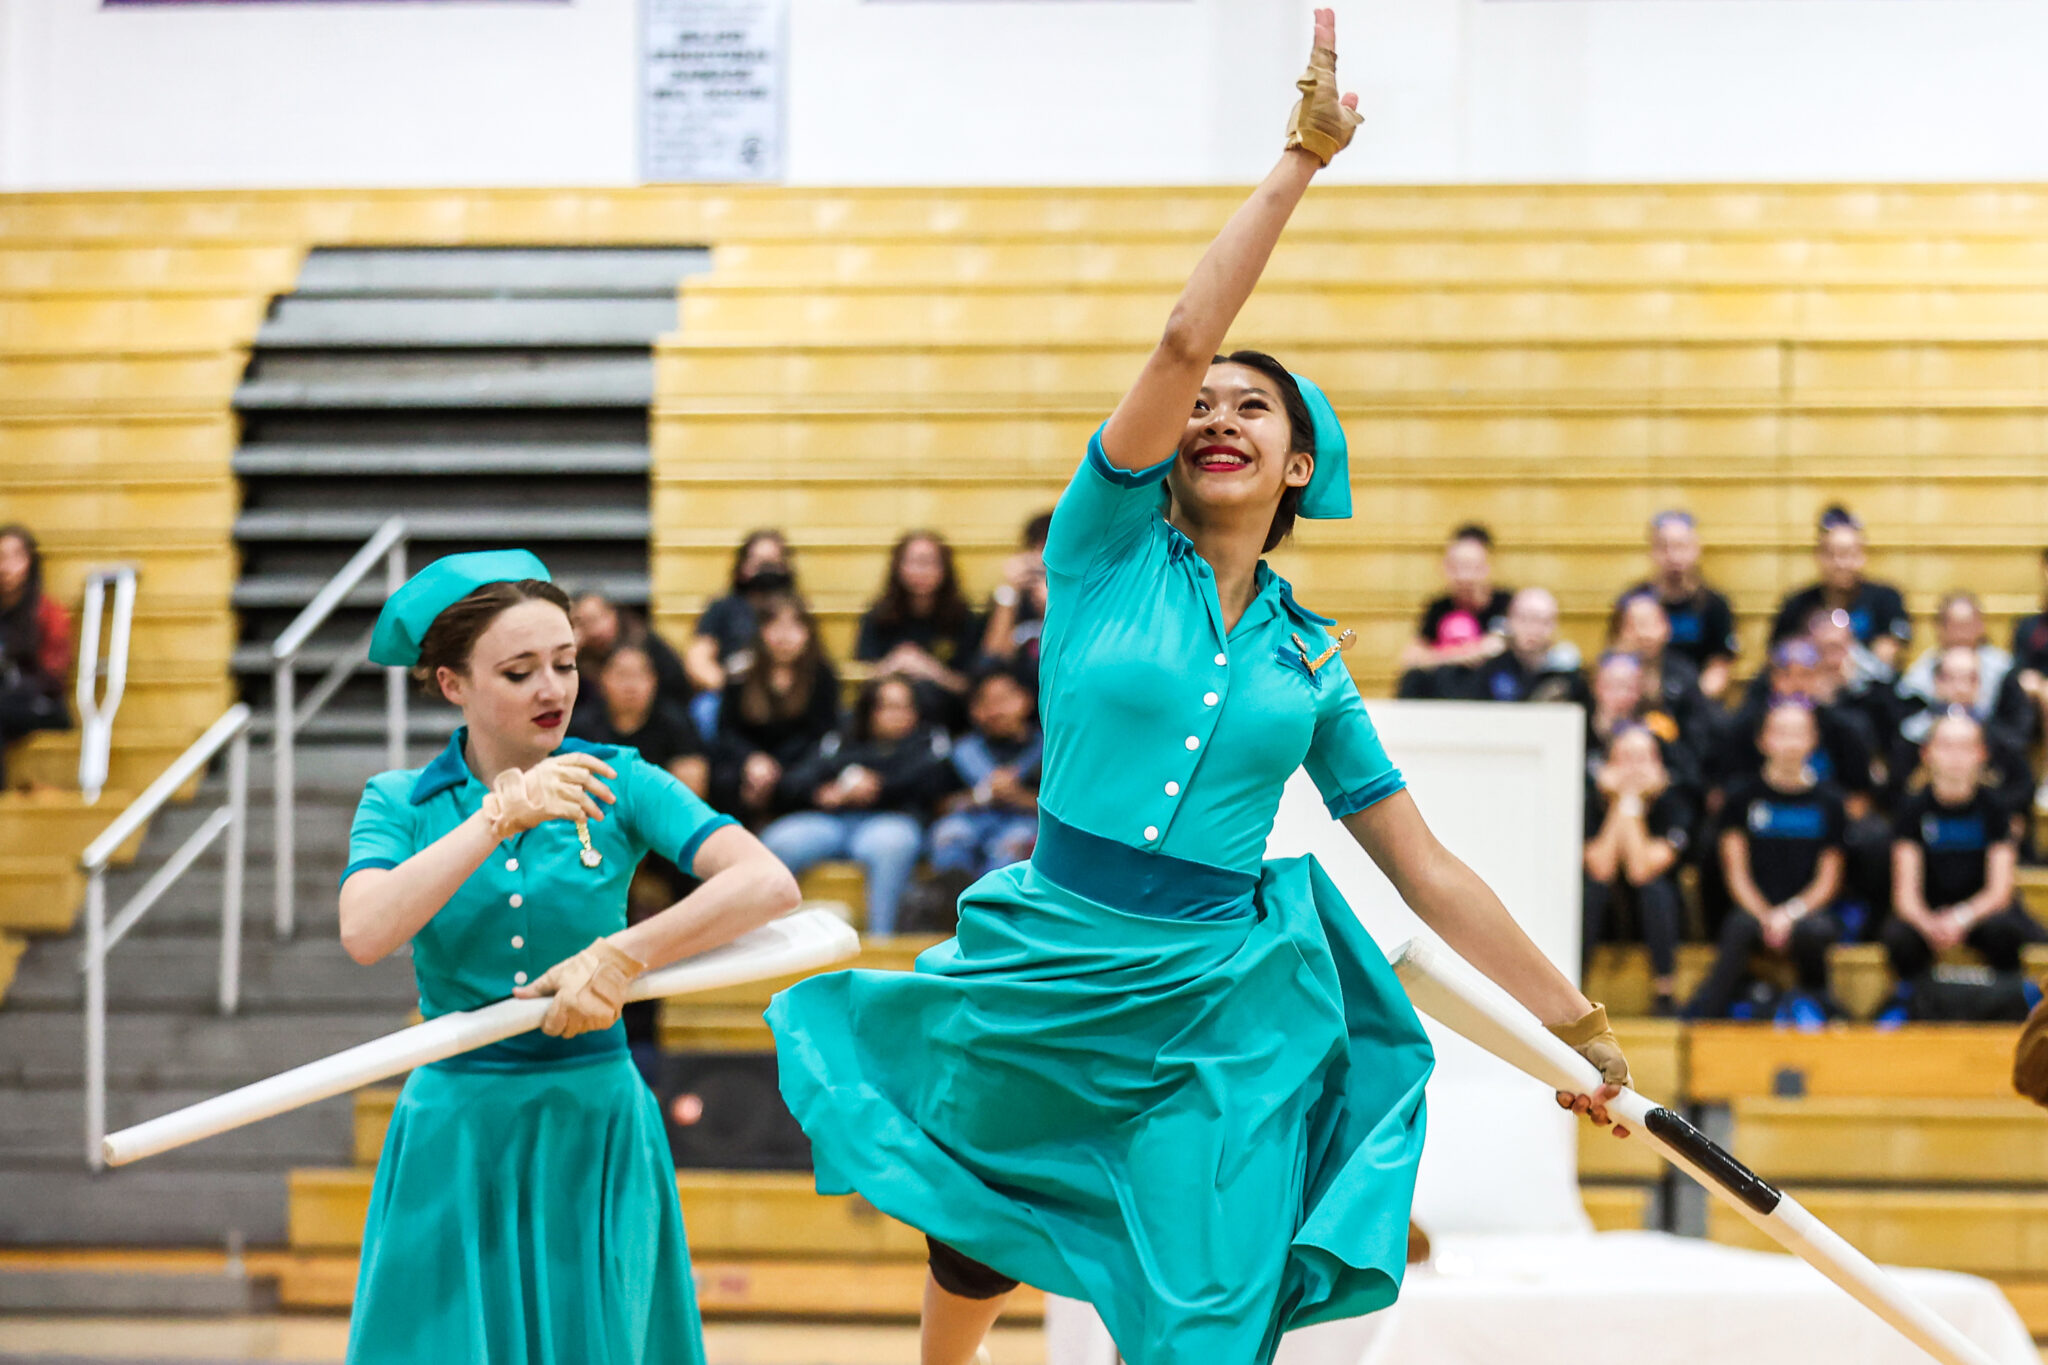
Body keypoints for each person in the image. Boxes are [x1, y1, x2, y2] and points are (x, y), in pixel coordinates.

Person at [766, 23, 1630, 1364]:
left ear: (1298, 468)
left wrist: (1573, 1026)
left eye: (1255, 410)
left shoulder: (1311, 659)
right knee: (973, 1237)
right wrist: (1300, 160)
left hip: (1215, 1002)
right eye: (1205, 407)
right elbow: (1180, 335)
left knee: (1211, 1316)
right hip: (1050, 952)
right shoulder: (1101, 548)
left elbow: (1427, 867)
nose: (1220, 414)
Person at [337, 550, 801, 1365]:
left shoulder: (617, 776)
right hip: (458, 1124)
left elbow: (768, 884)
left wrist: (624, 953)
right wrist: (492, 822)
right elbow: (367, 932)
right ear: (453, 686)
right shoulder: (399, 800)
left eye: (565, 663)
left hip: (596, 1117)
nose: (553, 689)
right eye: (519, 671)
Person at [1686, 702, 1849, 1024]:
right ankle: (1707, 1019)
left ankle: (1821, 1007)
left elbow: (1828, 879)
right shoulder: (1741, 797)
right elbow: (1736, 872)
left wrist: (1789, 915)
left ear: (1813, 739)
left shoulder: (1830, 801)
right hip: (1753, 909)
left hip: (1806, 912)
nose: (1789, 742)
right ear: (1763, 740)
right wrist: (1765, 916)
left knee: (1815, 930)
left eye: (1798, 732)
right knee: (1740, 926)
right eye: (1780, 732)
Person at [761, 674, 958, 936]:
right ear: (869, 709)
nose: (897, 714)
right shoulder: (841, 738)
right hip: (832, 821)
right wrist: (822, 793)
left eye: (905, 706)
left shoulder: (929, 741)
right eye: (887, 706)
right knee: (781, 838)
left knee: (892, 844)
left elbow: (933, 784)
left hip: (893, 820)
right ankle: (759, 936)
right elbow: (795, 781)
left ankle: (881, 942)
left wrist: (878, 786)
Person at [1882, 712, 2045, 987]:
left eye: (1964, 746)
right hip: (1929, 913)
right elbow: (1905, 894)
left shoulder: (1995, 807)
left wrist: (1960, 918)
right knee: (1899, 937)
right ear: (1927, 753)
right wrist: (1929, 924)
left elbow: (1999, 890)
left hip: (1980, 914)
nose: (1955, 756)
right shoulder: (1912, 809)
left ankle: (2004, 1002)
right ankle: (1914, 1004)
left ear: (1980, 753)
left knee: (2005, 930)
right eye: (1946, 746)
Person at [1581, 724, 1688, 1016]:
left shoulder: (1674, 803)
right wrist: (1624, 800)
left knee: (1656, 891)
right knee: (1592, 892)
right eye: (1625, 758)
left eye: (1643, 758)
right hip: (1605, 916)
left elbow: (1641, 870)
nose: (1634, 768)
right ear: (1608, 765)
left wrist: (1628, 800)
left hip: (1655, 919)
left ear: (1659, 765)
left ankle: (1665, 993)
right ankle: (1574, 992)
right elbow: (1601, 867)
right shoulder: (1589, 802)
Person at [707, 593, 841, 823]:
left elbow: (823, 734)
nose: (784, 636)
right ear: (760, 631)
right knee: (722, 780)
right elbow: (727, 732)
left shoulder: (822, 675)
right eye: (774, 626)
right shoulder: (740, 672)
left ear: (808, 633)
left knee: (805, 782)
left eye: (794, 626)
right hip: (750, 765)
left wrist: (775, 768)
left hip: (798, 763)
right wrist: (751, 760)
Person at [927, 666, 1043, 895]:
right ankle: (954, 912)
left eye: (1004, 699)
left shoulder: (1048, 750)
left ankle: (997, 919)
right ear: (974, 711)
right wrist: (981, 795)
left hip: (1025, 823)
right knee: (949, 833)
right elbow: (937, 807)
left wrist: (1017, 796)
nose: (995, 710)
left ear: (1026, 700)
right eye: (985, 702)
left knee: (1015, 843)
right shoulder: (960, 751)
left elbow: (1064, 808)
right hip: (972, 820)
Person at [855, 531, 984, 729]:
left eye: (930, 562)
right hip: (888, 712)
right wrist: (894, 664)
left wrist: (931, 670)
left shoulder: (963, 617)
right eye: (913, 562)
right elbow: (863, 677)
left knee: (926, 693)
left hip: (945, 714)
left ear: (945, 569)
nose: (921, 571)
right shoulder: (877, 616)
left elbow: (969, 686)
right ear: (898, 567)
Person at [1888, 650, 2033, 820]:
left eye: (1970, 679)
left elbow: (2022, 787)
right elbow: (1895, 791)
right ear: (1936, 681)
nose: (1960, 687)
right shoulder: (1912, 735)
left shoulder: (2001, 739)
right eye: (1950, 678)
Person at [1769, 505, 1911, 671]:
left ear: (1862, 555)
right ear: (1818, 556)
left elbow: (1888, 655)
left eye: (1848, 554)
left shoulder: (1887, 599)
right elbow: (1778, 657)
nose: (1840, 564)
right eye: (1831, 554)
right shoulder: (1796, 604)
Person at [1618, 510, 1739, 702]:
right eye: (1664, 547)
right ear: (1652, 551)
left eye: (1681, 546)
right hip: (1641, 698)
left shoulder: (1715, 604)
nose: (1673, 556)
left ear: (1696, 549)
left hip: (1694, 699)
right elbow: (1618, 655)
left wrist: (1687, 702)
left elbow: (1719, 668)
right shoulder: (1634, 601)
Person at [685, 530, 797, 734]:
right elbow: (698, 660)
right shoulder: (723, 607)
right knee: (706, 709)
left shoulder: (795, 610)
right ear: (742, 567)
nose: (764, 569)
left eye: (771, 561)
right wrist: (731, 691)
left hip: (784, 693)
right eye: (757, 561)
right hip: (731, 691)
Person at [571, 641, 711, 799]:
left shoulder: (676, 724)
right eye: (622, 674)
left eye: (639, 675)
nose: (631, 686)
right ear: (603, 679)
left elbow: (690, 793)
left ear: (654, 681)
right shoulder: (580, 728)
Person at [1395, 523, 1512, 698]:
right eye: (1456, 567)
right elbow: (1410, 658)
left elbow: (1500, 648)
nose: (1464, 576)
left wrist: (1436, 655)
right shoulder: (1438, 608)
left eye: (1472, 567)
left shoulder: (1506, 605)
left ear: (1487, 567)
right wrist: (1461, 655)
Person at [0, 524, 74, 786]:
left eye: (15, 557)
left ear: (30, 562)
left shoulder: (48, 614)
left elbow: (53, 677)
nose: (6, 567)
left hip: (42, 703)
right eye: (1, 557)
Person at [1897, 592, 2028, 735]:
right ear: (1940, 628)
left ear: (1981, 625)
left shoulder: (2004, 668)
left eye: (1967, 624)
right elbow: (1908, 722)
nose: (1961, 633)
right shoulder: (1922, 669)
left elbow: (2016, 724)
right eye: (1954, 625)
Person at [569, 590, 692, 724]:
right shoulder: (577, 657)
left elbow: (678, 688)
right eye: (583, 624)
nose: (596, 630)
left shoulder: (644, 641)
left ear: (613, 613)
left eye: (597, 618)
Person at [1457, 586, 1588, 706]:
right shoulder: (1492, 668)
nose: (1532, 628)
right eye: (1523, 618)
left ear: (1553, 625)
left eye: (1541, 620)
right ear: (1509, 621)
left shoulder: (1567, 673)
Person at [979, 511, 1053, 674]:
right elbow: (993, 655)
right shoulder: (1013, 594)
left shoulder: (1086, 593)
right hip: (1019, 679)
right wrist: (1010, 592)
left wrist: (1055, 603)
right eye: (1037, 547)